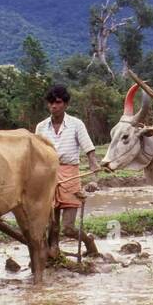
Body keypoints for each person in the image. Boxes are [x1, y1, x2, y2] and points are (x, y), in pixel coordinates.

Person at [35, 85, 101, 256]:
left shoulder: (76, 124)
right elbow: (35, 157)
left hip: (70, 176)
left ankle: (88, 241)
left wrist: (94, 179)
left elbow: (90, 152)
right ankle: (54, 253)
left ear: (65, 104)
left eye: (57, 103)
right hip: (48, 177)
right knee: (52, 224)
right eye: (50, 103)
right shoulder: (41, 127)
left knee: (68, 228)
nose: (53, 106)